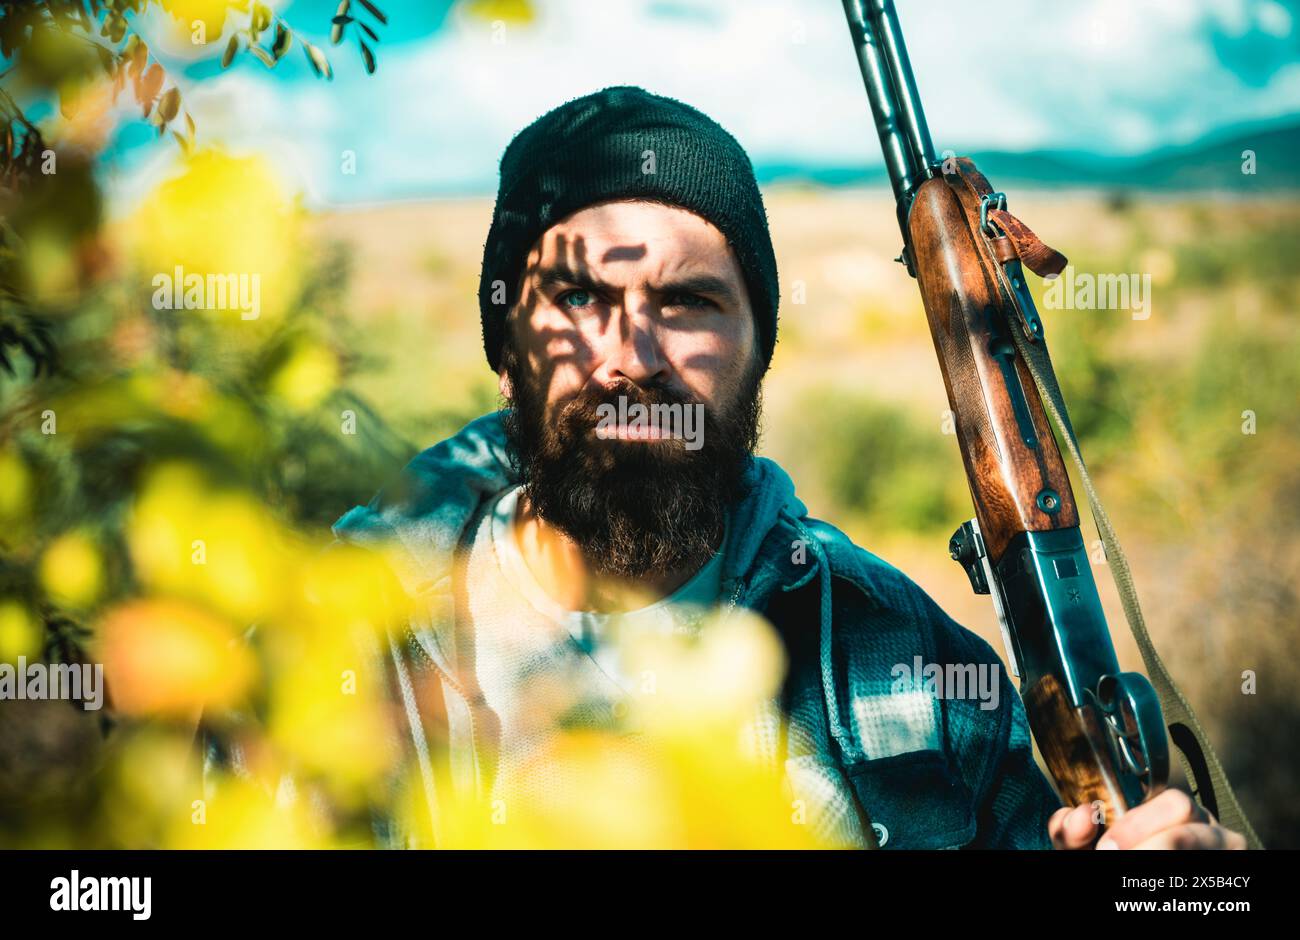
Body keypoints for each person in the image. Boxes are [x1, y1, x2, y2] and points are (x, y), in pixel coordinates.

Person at [332, 85, 1246, 850]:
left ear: (755, 353)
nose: (632, 355)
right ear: (508, 348)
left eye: (689, 302)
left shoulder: (913, 666)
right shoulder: (343, 637)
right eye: (578, 297)